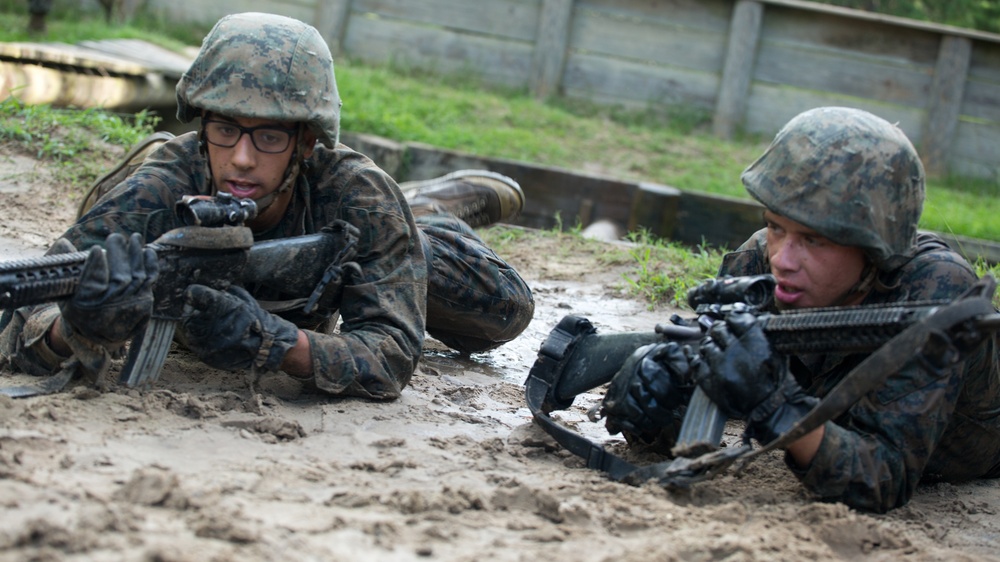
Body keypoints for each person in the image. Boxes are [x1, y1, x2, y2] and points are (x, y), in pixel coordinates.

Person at [0, 12, 534, 400]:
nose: (241, 160)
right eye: (224, 129)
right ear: (202, 125)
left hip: (360, 224)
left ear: (306, 143)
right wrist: (74, 328)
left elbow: (390, 353)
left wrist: (279, 343)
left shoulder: (356, 194)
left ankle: (426, 210)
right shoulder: (164, 184)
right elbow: (19, 319)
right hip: (180, 203)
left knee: (502, 311)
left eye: (270, 138)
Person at [600, 106, 1000, 512]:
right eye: (776, 226)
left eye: (814, 239)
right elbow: (700, 424)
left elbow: (881, 478)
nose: (782, 259)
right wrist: (662, 401)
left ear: (872, 246)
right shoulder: (758, 262)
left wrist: (776, 405)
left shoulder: (934, 293)